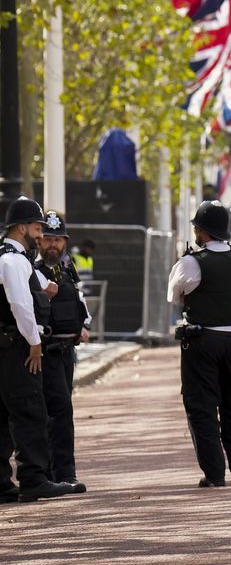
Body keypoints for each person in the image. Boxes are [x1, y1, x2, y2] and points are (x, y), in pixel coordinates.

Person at [167, 200, 231, 488]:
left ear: (201, 231)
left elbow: (174, 296)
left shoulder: (192, 261)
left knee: (202, 406)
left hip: (202, 340)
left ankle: (214, 473)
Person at [0, 197, 73, 503]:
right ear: (21, 228)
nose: (41, 235)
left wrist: (43, 284)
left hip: (5, 347)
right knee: (30, 412)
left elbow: (41, 284)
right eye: (37, 227)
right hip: (18, 348)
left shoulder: (10, 258)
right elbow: (21, 305)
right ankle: (33, 478)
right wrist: (34, 342)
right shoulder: (13, 261)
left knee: (3, 415)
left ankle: (3, 483)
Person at [33, 211, 90, 493]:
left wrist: (84, 325)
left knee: (58, 412)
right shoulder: (32, 271)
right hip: (47, 352)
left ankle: (50, 472)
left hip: (68, 353)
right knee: (58, 412)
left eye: (58, 239)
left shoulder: (66, 270)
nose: (53, 244)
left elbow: (78, 301)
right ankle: (62, 473)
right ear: (39, 240)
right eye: (48, 239)